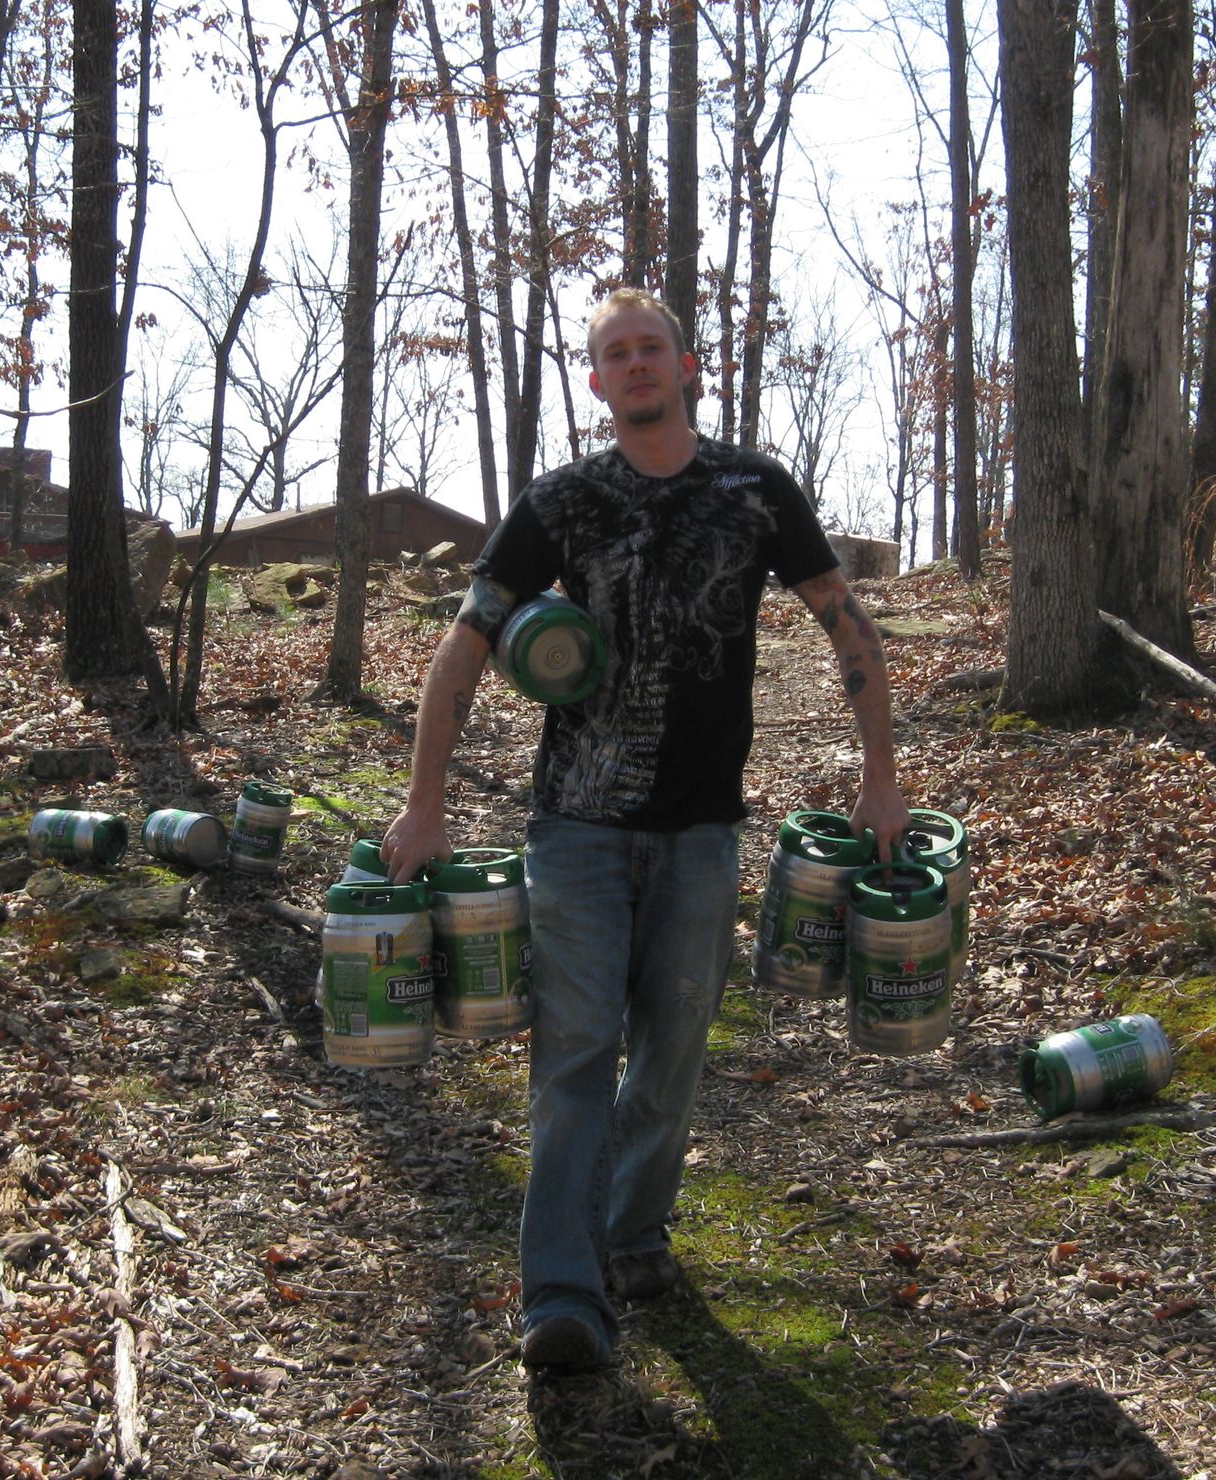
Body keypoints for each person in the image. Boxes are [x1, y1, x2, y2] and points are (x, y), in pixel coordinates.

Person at [380, 288, 909, 1373]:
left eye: (649, 348)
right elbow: (466, 643)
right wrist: (424, 799)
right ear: (595, 380)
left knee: (669, 1057)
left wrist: (883, 775)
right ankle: (560, 1298)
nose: (633, 365)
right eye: (613, 353)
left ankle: (632, 1232)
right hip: (575, 827)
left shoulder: (755, 491)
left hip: (702, 831)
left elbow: (844, 621)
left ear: (687, 365)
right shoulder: (562, 501)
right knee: (575, 1055)